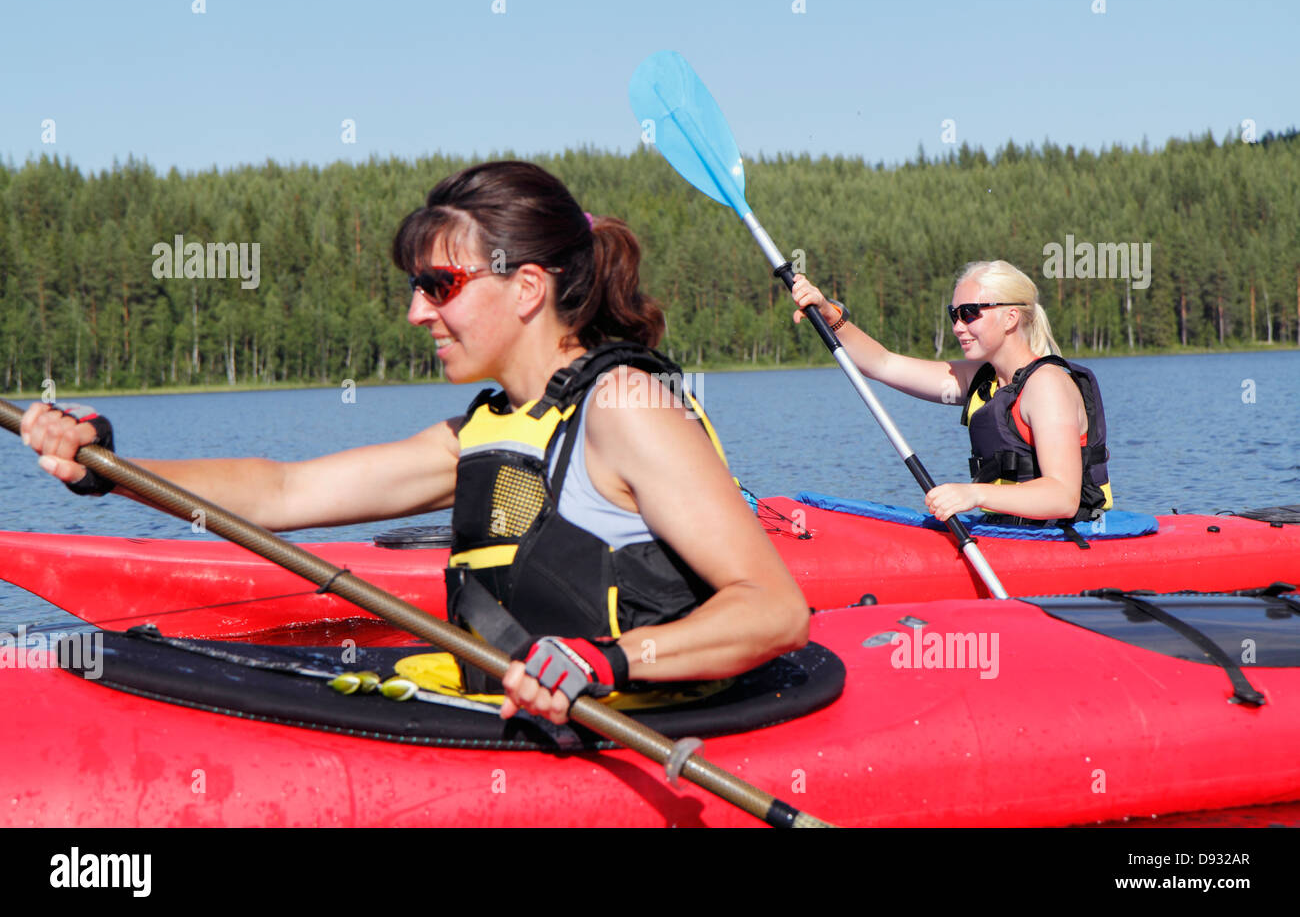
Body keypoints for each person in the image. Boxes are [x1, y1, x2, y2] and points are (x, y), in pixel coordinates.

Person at [21, 160, 809, 724]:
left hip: (643, 714)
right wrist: (108, 467)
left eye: (440, 286)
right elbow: (284, 493)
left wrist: (608, 660)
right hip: (512, 708)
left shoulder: (627, 408)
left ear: (527, 287)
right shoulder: (488, 429)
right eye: (415, 289)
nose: (417, 313)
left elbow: (774, 611)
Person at [790, 260, 1110, 525]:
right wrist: (831, 317)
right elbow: (884, 364)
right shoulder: (980, 380)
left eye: (970, 313)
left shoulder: (1047, 384)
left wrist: (973, 494)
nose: (958, 326)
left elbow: (1062, 497)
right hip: (1006, 531)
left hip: (1064, 537)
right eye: (954, 314)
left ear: (1011, 317)